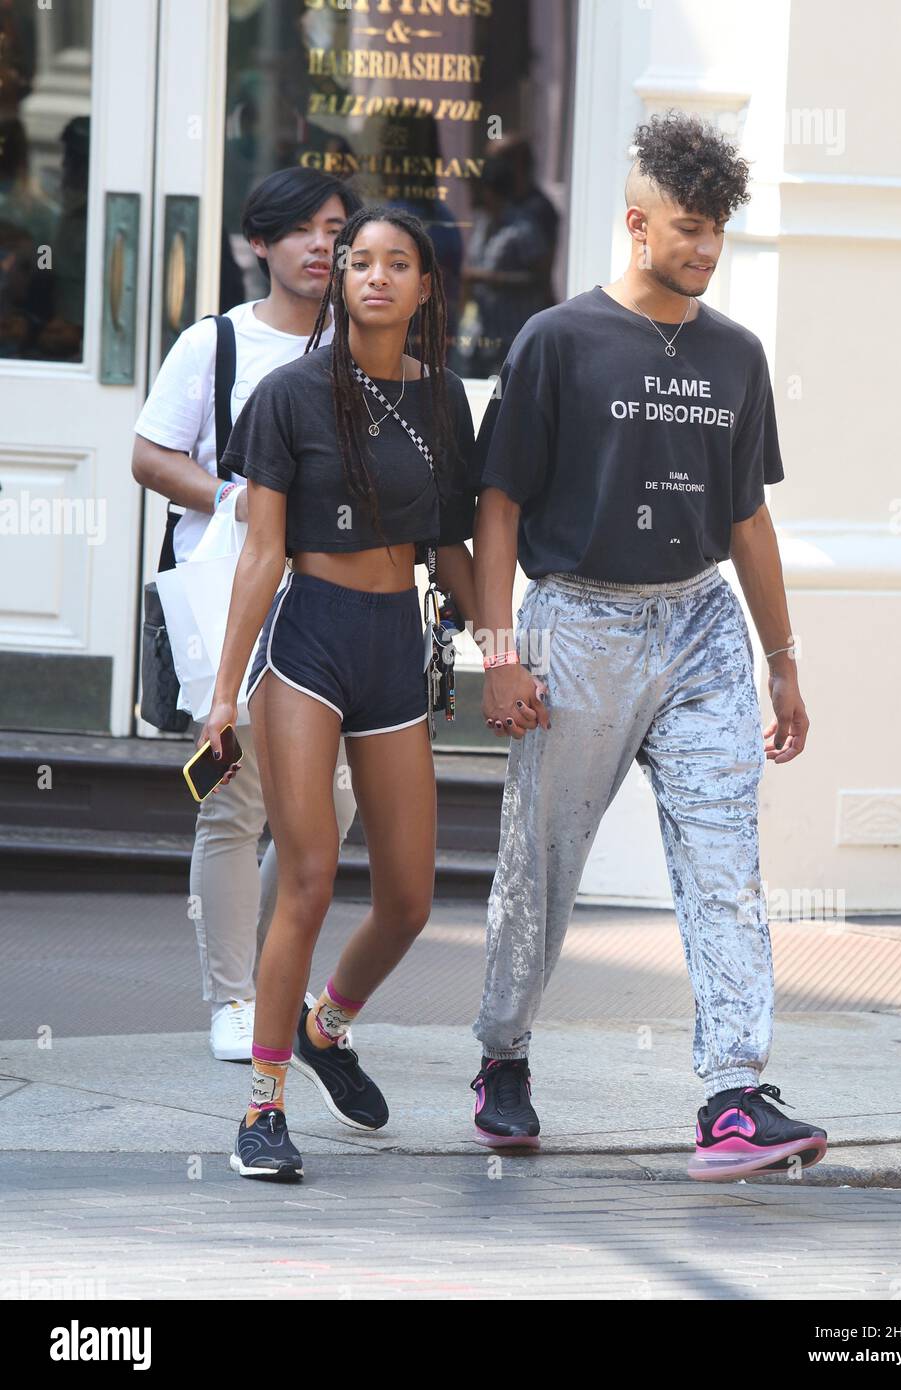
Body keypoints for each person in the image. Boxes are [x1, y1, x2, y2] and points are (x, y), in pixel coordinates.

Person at [468, 110, 828, 1181]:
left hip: (703, 621)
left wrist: (784, 659)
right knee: (543, 868)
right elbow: (497, 506)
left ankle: (732, 1092)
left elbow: (748, 518)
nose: (707, 249)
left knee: (725, 866)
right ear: (636, 223)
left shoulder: (735, 355)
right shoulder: (557, 342)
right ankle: (503, 1054)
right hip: (578, 620)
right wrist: (498, 653)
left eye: (719, 230)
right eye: (688, 228)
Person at [197, 205, 479, 1182]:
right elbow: (260, 552)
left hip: (395, 645)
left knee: (408, 896)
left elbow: (452, 547)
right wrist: (225, 695)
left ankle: (327, 1025)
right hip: (309, 642)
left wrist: (509, 650)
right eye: (359, 260)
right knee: (310, 874)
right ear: (340, 277)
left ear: (424, 286)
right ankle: (263, 1106)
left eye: (398, 263)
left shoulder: (445, 401)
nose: (374, 276)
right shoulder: (291, 395)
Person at [132, 167, 362, 1062]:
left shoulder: (363, 342)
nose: (320, 246)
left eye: (335, 228)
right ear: (259, 245)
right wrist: (233, 495)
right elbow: (150, 456)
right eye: (299, 229)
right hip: (227, 592)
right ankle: (234, 998)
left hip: (336, 599)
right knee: (236, 801)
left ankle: (274, 966)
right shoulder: (215, 344)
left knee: (333, 804)